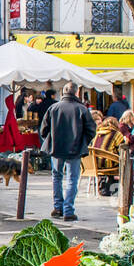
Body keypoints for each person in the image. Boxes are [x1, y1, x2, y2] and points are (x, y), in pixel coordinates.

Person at [39, 82, 96, 221]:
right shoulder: (81, 109)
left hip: (56, 148)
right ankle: (68, 210)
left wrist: (52, 139)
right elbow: (91, 130)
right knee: (72, 179)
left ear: (63, 92)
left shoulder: (54, 108)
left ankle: (58, 207)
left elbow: (43, 130)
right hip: (74, 149)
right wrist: (83, 141)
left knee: (56, 177)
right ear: (76, 93)